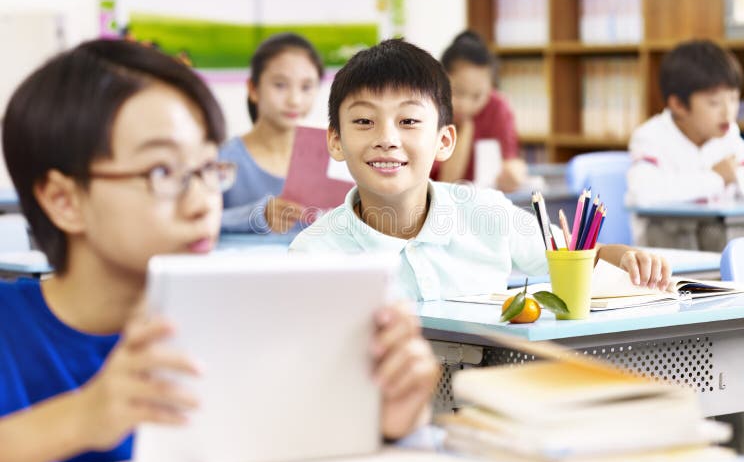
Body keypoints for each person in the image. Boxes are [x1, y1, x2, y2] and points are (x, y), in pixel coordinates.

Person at [0, 39, 439, 462]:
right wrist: (85, 417)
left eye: (209, 169)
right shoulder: (9, 330)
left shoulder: (250, 322)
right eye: (162, 172)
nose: (202, 204)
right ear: (64, 200)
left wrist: (388, 424)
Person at [290, 38, 671, 301]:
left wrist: (625, 256)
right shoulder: (313, 255)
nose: (387, 138)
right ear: (335, 141)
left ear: (444, 141)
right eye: (363, 122)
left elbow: (578, 256)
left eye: (408, 121)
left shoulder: (487, 213)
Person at [627, 39, 744, 206]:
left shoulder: (728, 136)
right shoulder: (651, 137)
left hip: (721, 230)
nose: (728, 111)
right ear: (678, 105)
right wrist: (716, 177)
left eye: (733, 99)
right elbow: (642, 193)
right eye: (714, 102)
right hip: (668, 232)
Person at [220, 33, 324, 235]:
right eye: (280, 85)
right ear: (253, 88)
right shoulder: (222, 160)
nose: (295, 100)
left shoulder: (334, 162)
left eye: (306, 87)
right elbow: (190, 223)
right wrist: (256, 216)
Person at [431, 30, 526, 192]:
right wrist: (467, 128)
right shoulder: (430, 107)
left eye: (477, 96)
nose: (466, 105)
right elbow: (445, 184)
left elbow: (511, 159)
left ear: (490, 88)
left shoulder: (497, 106)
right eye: (458, 92)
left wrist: (515, 172)